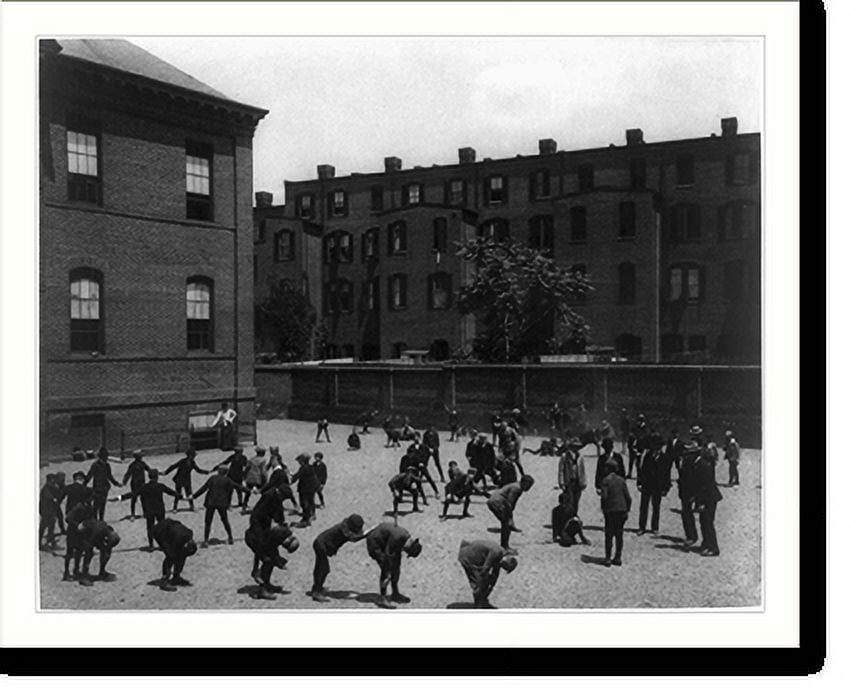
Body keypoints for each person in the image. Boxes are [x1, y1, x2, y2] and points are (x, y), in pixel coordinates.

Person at [113, 469, 181, 549]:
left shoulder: (144, 487)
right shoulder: (160, 486)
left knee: (150, 528)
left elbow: (133, 494)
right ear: (157, 477)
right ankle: (163, 544)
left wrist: (120, 497)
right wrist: (181, 496)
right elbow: (171, 492)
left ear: (149, 477)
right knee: (163, 527)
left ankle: (151, 545)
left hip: (149, 510)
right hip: (160, 510)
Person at [310, 514, 370, 602]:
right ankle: (316, 592)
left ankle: (317, 587)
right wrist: (367, 534)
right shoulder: (344, 529)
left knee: (320, 568)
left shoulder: (346, 525)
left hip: (322, 544)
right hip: (320, 545)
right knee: (323, 569)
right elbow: (354, 538)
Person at [365, 522, 422, 608]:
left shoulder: (405, 538)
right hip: (375, 543)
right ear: (409, 547)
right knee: (386, 567)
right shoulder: (397, 538)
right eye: (407, 551)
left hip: (385, 541)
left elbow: (397, 557)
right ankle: (383, 598)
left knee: (395, 568)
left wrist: (396, 570)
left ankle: (395, 593)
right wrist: (388, 573)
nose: (405, 551)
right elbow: (388, 555)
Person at [192, 464, 251, 546]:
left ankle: (206, 540)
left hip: (211, 502)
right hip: (222, 503)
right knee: (225, 520)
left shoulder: (212, 478)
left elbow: (203, 489)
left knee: (208, 522)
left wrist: (194, 496)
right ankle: (230, 537)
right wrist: (248, 490)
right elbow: (238, 487)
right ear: (226, 472)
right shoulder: (227, 480)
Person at [457, 539, 518, 609]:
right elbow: (485, 569)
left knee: (483, 582)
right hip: (468, 557)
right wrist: (484, 587)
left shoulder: (501, 555)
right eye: (504, 567)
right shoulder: (497, 552)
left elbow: (495, 574)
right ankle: (478, 604)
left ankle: (482, 600)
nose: (502, 567)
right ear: (506, 561)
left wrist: (490, 587)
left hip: (476, 557)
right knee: (479, 582)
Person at [245, 523, 300, 600]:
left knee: (271, 560)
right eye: (286, 546)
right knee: (268, 561)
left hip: (260, 539)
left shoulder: (283, 534)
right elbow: (261, 549)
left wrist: (278, 561)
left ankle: (267, 584)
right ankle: (262, 590)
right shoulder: (278, 535)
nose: (284, 547)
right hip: (252, 539)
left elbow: (273, 547)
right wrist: (256, 567)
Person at [64, 517, 121, 586]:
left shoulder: (109, 529)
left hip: (91, 534)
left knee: (105, 551)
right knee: (89, 553)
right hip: (81, 534)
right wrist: (95, 547)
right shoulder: (98, 531)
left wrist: (106, 549)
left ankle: (102, 572)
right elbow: (90, 543)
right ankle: (84, 576)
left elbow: (105, 544)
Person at [486, 474, 535, 554]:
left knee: (506, 524)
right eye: (528, 485)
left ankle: (504, 546)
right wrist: (509, 518)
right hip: (497, 502)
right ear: (524, 483)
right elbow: (510, 503)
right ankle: (505, 547)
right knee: (506, 525)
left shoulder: (517, 486)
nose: (529, 488)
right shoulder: (517, 488)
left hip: (496, 501)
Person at [636, 433, 672, 535]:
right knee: (644, 506)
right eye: (654, 445)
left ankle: (654, 527)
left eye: (657, 445)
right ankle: (641, 527)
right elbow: (642, 470)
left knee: (656, 507)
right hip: (647, 485)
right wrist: (639, 482)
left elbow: (666, 474)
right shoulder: (648, 456)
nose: (655, 447)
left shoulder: (665, 458)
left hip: (658, 486)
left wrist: (666, 487)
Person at [599, 459, 631, 566]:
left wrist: (603, 509)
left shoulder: (605, 481)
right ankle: (618, 557)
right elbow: (628, 497)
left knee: (609, 535)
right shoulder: (621, 480)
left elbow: (605, 497)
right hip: (622, 509)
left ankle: (608, 558)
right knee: (619, 534)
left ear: (607, 468)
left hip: (611, 510)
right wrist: (627, 509)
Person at [693, 442, 723, 556]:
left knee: (707, 522)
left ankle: (713, 547)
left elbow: (704, 485)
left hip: (708, 498)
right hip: (711, 497)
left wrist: (701, 502)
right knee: (705, 521)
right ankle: (706, 543)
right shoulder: (708, 464)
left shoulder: (705, 465)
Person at [152, 518, 198, 591]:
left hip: (170, 529)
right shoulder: (178, 539)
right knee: (171, 556)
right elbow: (171, 553)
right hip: (160, 532)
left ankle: (176, 577)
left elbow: (183, 554)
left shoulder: (189, 533)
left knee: (181, 555)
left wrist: (182, 555)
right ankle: (164, 580)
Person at [677, 429, 704, 547]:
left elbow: (694, 480)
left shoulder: (693, 463)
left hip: (691, 491)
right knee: (685, 514)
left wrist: (693, 495)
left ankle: (692, 536)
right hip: (684, 490)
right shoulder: (685, 462)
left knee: (688, 514)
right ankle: (690, 535)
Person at [85, 447, 123, 520]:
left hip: (104, 487)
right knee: (96, 505)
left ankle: (101, 519)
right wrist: (84, 484)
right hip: (97, 488)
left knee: (102, 505)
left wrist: (116, 483)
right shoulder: (96, 465)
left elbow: (109, 476)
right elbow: (90, 475)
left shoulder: (106, 465)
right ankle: (96, 519)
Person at [262, 448, 300, 513]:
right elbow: (270, 465)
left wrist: (287, 472)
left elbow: (282, 464)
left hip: (280, 473)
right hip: (277, 473)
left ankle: (294, 504)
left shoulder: (278, 457)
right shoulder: (273, 457)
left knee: (284, 490)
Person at [558, 437, 588, 517]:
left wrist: (584, 482)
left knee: (576, 500)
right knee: (570, 500)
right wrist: (561, 482)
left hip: (578, 481)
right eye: (575, 446)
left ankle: (575, 515)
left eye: (578, 446)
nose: (576, 448)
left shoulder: (580, 457)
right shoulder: (564, 456)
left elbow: (582, 470)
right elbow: (561, 470)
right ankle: (570, 516)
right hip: (569, 481)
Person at [290, 452, 321, 527]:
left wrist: (291, 479)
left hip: (305, 489)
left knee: (304, 504)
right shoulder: (310, 467)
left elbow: (297, 477)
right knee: (311, 501)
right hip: (312, 488)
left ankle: (306, 520)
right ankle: (312, 515)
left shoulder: (303, 468)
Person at [121, 449, 150, 519]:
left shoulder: (143, 464)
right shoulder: (132, 465)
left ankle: (145, 513)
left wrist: (156, 472)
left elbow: (149, 469)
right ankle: (133, 514)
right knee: (134, 499)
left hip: (142, 483)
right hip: (135, 484)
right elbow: (128, 474)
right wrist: (124, 481)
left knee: (144, 499)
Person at [242, 445, 269, 513]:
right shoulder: (263, 460)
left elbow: (247, 468)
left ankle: (244, 506)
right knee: (264, 492)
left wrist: (244, 477)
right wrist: (265, 479)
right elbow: (263, 472)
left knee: (247, 493)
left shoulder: (251, 459)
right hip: (258, 478)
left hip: (250, 478)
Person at [39, 474, 61, 550]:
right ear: (48, 480)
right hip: (46, 512)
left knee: (51, 528)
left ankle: (51, 542)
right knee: (44, 527)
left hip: (50, 511)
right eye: (52, 480)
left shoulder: (52, 488)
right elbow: (51, 499)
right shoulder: (46, 489)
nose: (53, 482)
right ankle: (40, 543)